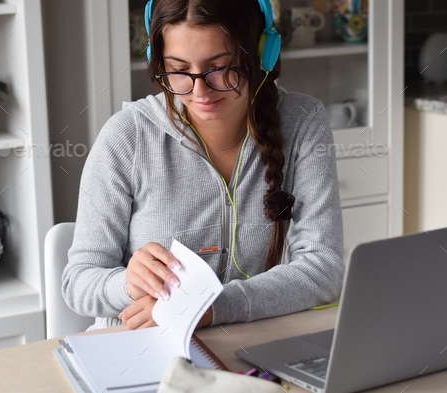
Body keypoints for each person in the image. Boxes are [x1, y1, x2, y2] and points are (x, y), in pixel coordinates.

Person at [62, 0, 344, 331]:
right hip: (136, 349)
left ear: (259, 54)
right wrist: (127, 283)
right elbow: (78, 282)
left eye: (219, 68)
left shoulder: (302, 121)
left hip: (241, 346)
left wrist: (209, 308)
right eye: (179, 71)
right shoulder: (127, 136)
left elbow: (322, 268)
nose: (200, 91)